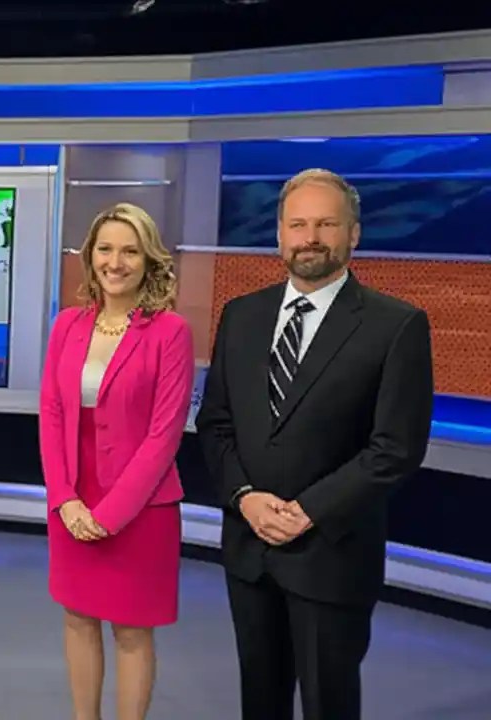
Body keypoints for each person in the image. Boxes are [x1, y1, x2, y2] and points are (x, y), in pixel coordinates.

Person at [196, 168, 434, 720]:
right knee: (260, 700)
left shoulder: (394, 326)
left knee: (329, 703)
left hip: (331, 555)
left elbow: (394, 448)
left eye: (327, 223)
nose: (310, 237)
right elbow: (217, 422)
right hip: (250, 549)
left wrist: (307, 512)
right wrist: (245, 497)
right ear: (279, 234)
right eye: (298, 224)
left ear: (354, 233)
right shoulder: (242, 315)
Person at [39, 202, 195, 720]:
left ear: (149, 259)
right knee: (78, 618)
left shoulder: (169, 332)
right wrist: (64, 499)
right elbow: (53, 414)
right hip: (72, 502)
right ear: (90, 257)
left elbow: (164, 435)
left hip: (140, 509)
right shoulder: (67, 325)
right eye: (105, 249)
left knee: (132, 630)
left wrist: (108, 516)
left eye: (130, 251)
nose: (116, 262)